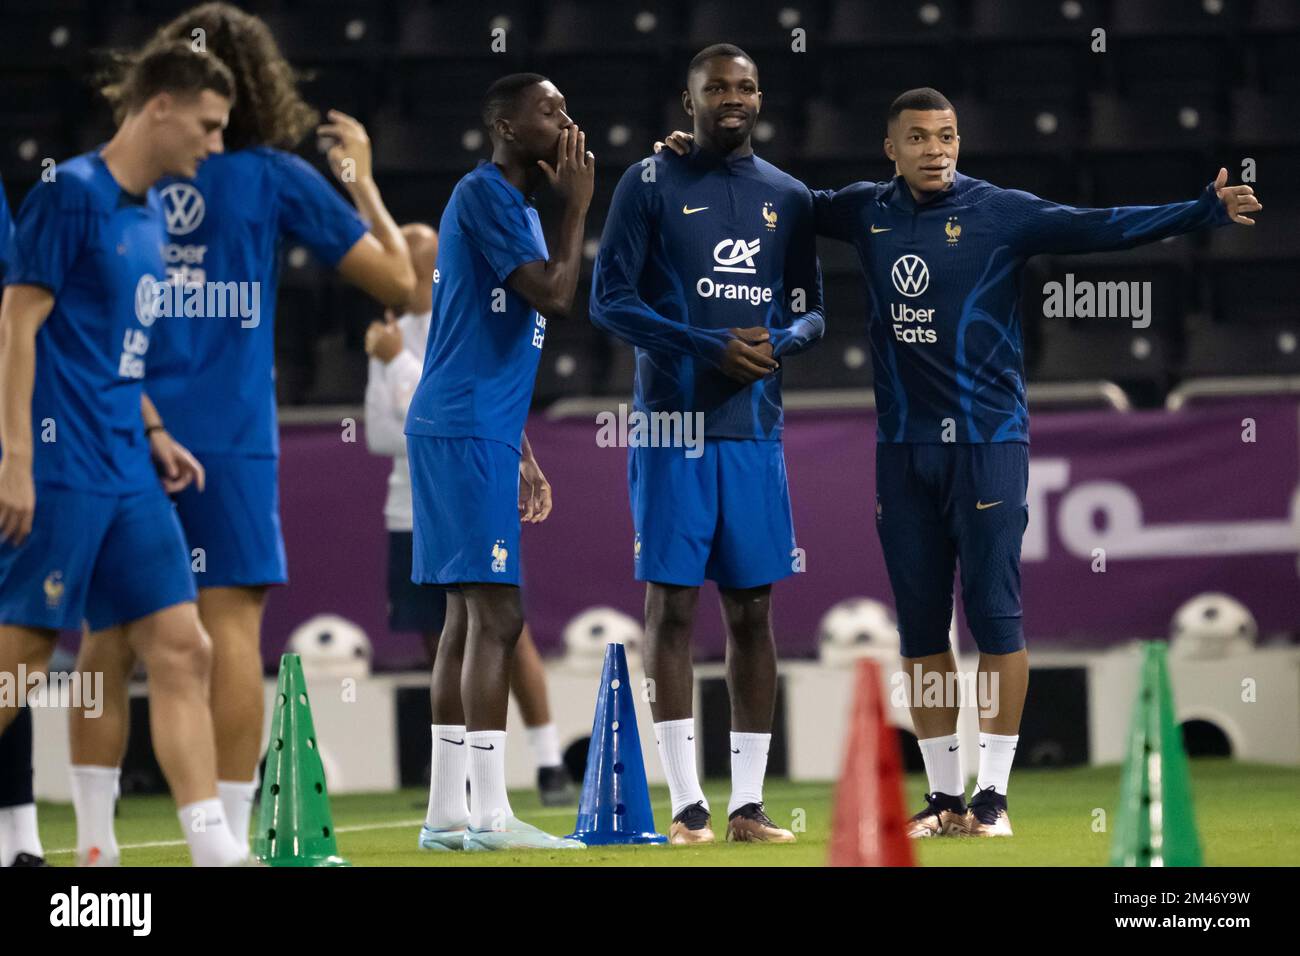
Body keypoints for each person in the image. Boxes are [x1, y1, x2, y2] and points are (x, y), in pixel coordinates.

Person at [663, 86, 1263, 838]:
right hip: (902, 452)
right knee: (919, 628)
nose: (936, 149)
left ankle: (993, 799)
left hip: (988, 445)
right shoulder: (862, 210)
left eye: (946, 136)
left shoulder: (999, 212)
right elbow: (773, 196)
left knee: (994, 617)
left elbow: (1100, 228)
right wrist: (694, 158)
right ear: (892, 148)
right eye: (918, 137)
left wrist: (1202, 209)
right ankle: (944, 798)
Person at [64, 2, 415, 865]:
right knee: (227, 634)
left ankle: (97, 844)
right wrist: (361, 178)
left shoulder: (112, 177)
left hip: (115, 424)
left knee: (106, 638)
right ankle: (223, 839)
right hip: (227, 436)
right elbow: (401, 286)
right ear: (259, 79)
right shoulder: (273, 177)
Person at [0, 41, 251, 866]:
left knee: (184, 647)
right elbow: (17, 324)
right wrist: (15, 458)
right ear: (160, 107)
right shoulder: (68, 195)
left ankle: (214, 849)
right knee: (22, 661)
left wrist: (152, 430)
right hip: (61, 460)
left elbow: (112, 348)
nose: (213, 146)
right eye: (208, 127)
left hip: (129, 465)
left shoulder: (148, 217)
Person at [589, 44, 825, 845]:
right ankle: (687, 805)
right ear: (688, 100)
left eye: (746, 86)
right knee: (672, 605)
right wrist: (703, 345)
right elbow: (607, 299)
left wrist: (782, 342)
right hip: (671, 425)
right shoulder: (648, 182)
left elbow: (812, 309)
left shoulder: (788, 197)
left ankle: (747, 806)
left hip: (755, 430)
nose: (733, 97)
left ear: (761, 97)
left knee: (755, 609)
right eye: (716, 87)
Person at [407, 73, 592, 851]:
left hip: (470, 425)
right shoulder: (488, 195)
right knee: (500, 616)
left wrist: (520, 452)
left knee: (462, 618)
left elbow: (482, 337)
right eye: (548, 110)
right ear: (506, 127)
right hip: (463, 424)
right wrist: (580, 204)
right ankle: (490, 816)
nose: (564, 119)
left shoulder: (504, 205)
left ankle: (446, 815)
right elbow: (553, 296)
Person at [363, 222, 574, 806]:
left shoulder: (450, 319)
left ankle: (542, 764)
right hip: (418, 495)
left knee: (500, 622)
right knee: (456, 626)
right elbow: (384, 433)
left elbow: (447, 401)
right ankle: (463, 795)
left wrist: (401, 369)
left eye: (410, 258)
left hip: (464, 471)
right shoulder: (389, 333)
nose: (397, 269)